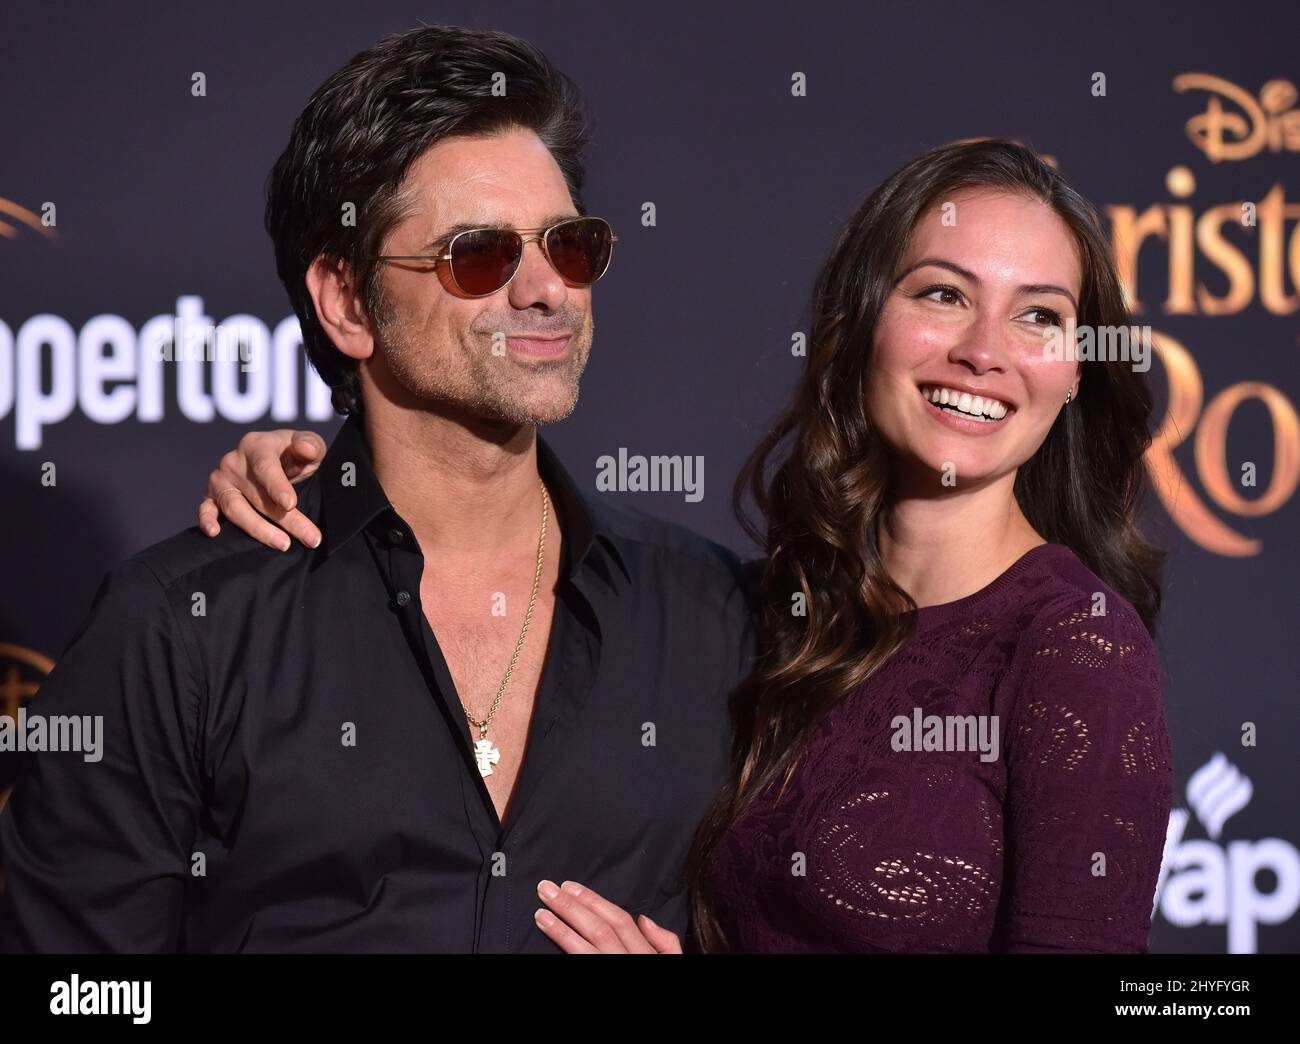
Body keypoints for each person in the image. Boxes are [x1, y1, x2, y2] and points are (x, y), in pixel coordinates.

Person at [208, 141, 1173, 953]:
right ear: (862, 322)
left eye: (1040, 315)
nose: (985, 351)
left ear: (1077, 371)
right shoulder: (764, 614)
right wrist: (329, 483)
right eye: (944, 294)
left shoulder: (1075, 650)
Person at [0, 26, 753, 954]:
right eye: (479, 255)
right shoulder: (183, 628)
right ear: (347, 301)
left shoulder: (715, 615)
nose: (546, 290)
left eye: (570, 246)